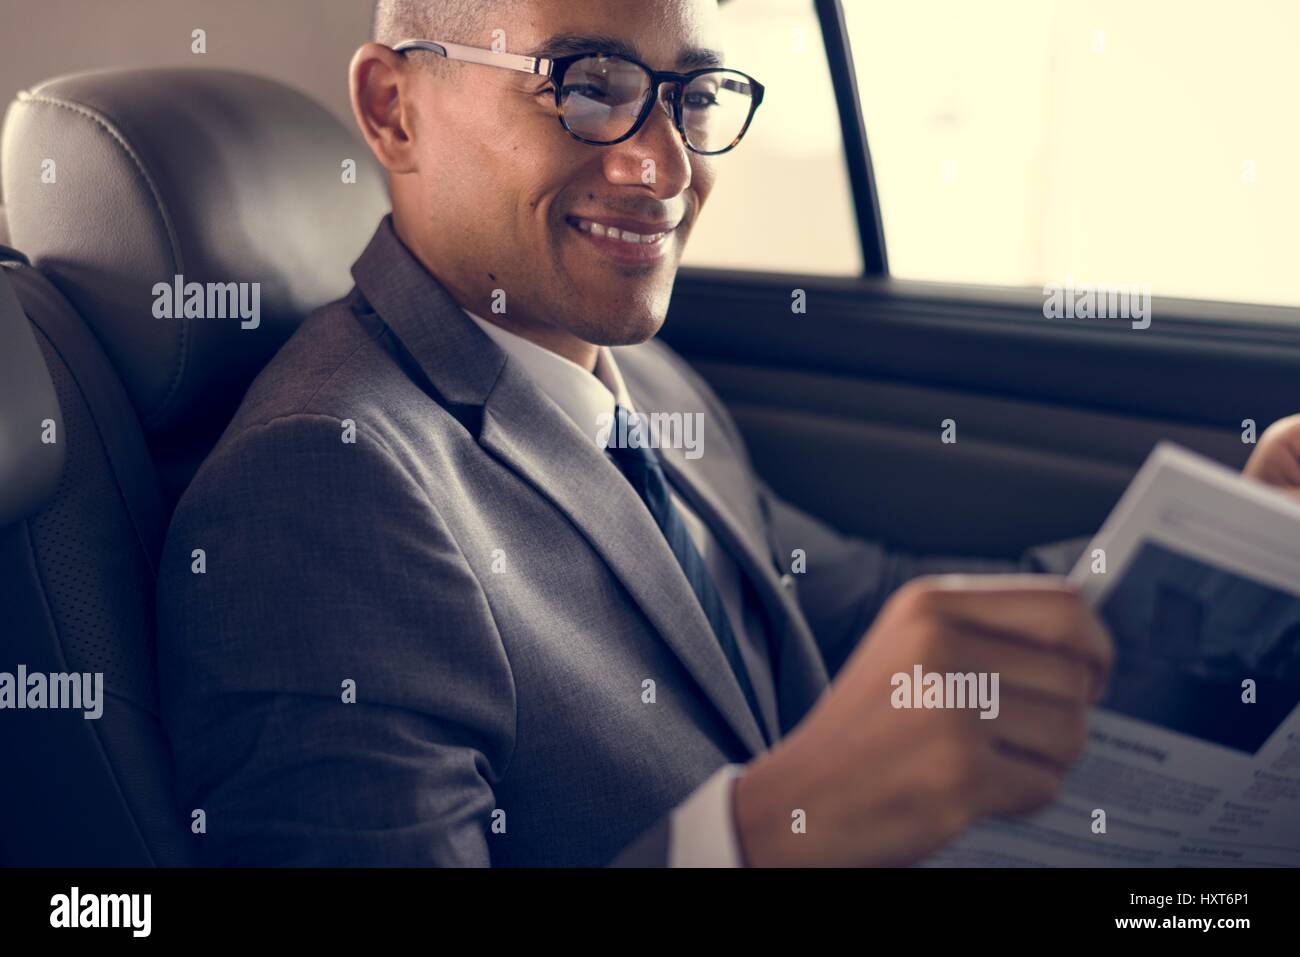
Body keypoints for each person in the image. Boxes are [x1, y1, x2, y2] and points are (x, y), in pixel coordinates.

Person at [155, 0, 1300, 866]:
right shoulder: (320, 483)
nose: (663, 166)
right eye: (586, 83)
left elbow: (858, 603)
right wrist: (762, 835)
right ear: (393, 109)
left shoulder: (645, 380)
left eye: (690, 98)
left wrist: (1226, 551)